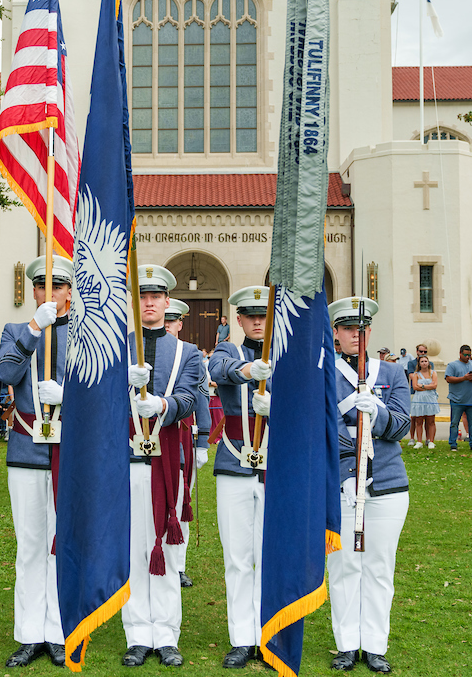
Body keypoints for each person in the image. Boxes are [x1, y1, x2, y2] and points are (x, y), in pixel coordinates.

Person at [120, 265, 200, 669]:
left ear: (167, 302)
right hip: (130, 458)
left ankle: (166, 634)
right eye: (143, 296)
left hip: (168, 458)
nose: (149, 303)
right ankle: (137, 633)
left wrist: (164, 406)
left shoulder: (188, 352)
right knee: (135, 550)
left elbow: (189, 397)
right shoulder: (119, 346)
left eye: (156, 296)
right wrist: (123, 386)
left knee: (168, 550)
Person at [0, 256, 72, 669]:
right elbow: (5, 374)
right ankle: (29, 634)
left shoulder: (84, 335)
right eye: (42, 286)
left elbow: (98, 392)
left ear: (69, 292)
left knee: (61, 546)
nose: (49, 293)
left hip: (68, 452)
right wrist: (33, 332)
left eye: (57, 286)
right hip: (26, 450)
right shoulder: (14, 330)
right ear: (35, 292)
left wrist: (68, 397)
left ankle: (58, 632)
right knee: (29, 547)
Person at [327, 296, 410, 674]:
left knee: (379, 566)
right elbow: (321, 429)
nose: (356, 335)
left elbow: (402, 426)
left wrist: (376, 411)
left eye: (362, 329)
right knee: (345, 567)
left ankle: (375, 644)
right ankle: (346, 644)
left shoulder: (391, 374)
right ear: (336, 334)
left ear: (370, 331)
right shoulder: (325, 373)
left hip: (388, 484)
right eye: (348, 329)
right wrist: (346, 473)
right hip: (342, 484)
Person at [207, 285, 273, 668]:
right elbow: (218, 370)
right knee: (237, 556)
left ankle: (266, 634)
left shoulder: (284, 353)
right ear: (239, 320)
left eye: (263, 316)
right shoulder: (228, 349)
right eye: (250, 317)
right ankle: (241, 637)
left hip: (273, 464)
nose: (258, 322)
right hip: (234, 461)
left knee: (267, 554)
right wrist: (248, 370)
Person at [163, 298, 209, 592]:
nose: (167, 326)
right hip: (146, 436)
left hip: (180, 436)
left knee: (180, 505)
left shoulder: (189, 356)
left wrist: (202, 440)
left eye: (172, 321)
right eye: (164, 320)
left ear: (180, 324)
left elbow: (201, 398)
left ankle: (177, 565)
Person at [445, 345, 472, 452]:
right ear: (460, 353)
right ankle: (453, 444)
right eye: (465, 354)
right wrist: (464, 378)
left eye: (469, 355)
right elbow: (448, 378)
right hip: (457, 400)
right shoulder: (452, 365)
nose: (467, 357)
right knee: (454, 422)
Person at [409, 355, 439, 449]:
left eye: (426, 361)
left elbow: (434, 385)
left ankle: (431, 441)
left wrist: (422, 386)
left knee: (431, 420)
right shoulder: (416, 374)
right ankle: (419, 441)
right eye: (422, 361)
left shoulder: (433, 373)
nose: (424, 363)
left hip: (430, 398)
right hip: (419, 399)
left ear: (428, 362)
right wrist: (427, 386)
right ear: (419, 363)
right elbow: (415, 387)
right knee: (419, 421)